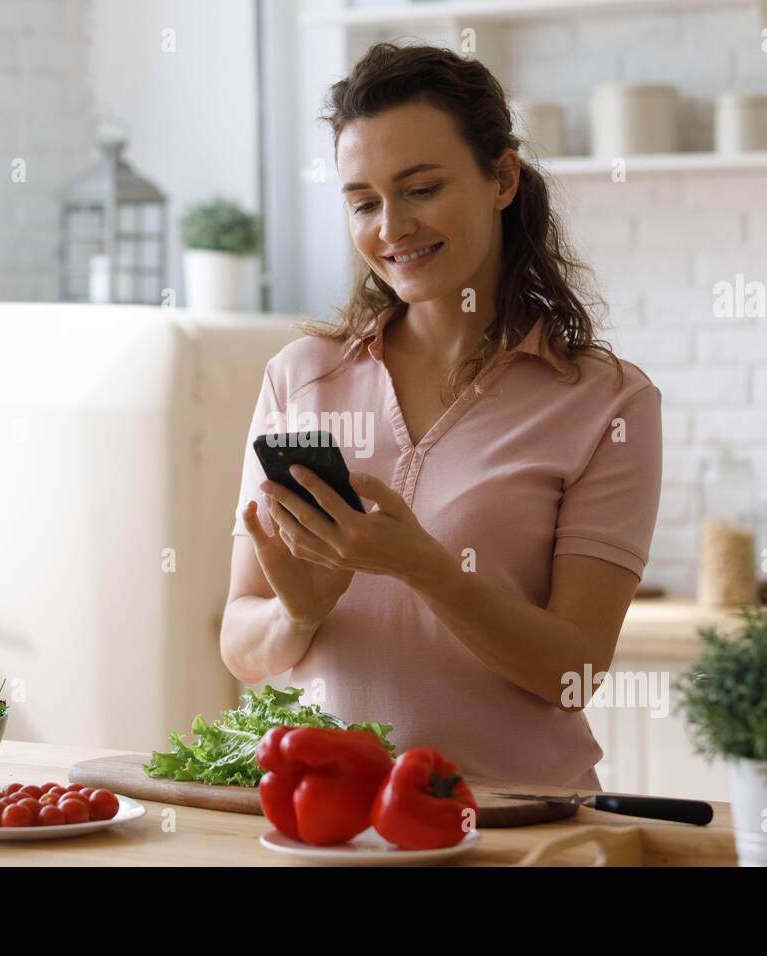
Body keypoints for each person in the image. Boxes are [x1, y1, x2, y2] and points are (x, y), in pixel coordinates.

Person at [220, 42, 662, 789]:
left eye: (421, 188)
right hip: (329, 820)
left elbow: (575, 674)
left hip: (516, 825)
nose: (392, 227)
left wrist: (423, 568)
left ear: (503, 178)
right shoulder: (300, 378)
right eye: (364, 203)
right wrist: (297, 615)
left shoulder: (605, 401)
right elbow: (241, 642)